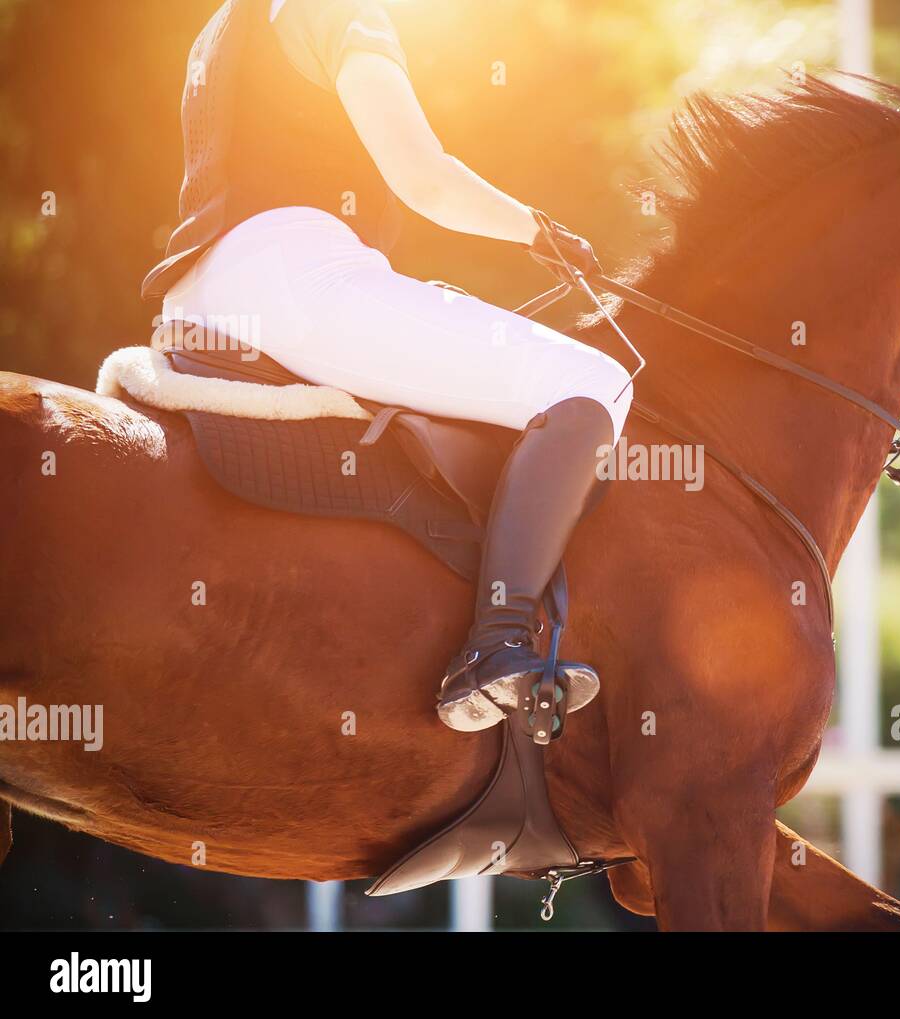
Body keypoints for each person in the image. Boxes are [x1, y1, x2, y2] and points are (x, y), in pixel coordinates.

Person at [143, 0, 630, 731]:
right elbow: (424, 178)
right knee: (597, 382)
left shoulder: (225, 23)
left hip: (202, 294)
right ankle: (494, 649)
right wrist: (537, 231)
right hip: (296, 278)